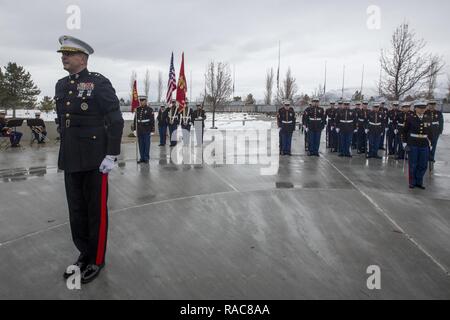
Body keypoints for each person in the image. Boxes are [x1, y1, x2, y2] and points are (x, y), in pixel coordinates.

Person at [55, 35, 124, 284]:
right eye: (62, 53)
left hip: (96, 160)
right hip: (71, 158)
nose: (63, 57)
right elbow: (62, 121)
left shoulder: (98, 83)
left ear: (82, 58)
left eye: (68, 54)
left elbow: (116, 119)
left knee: (96, 212)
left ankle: (97, 259)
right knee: (77, 211)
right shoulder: (61, 85)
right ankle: (83, 253)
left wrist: (111, 153)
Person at [402, 100, 432, 189]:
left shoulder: (428, 118)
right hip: (413, 143)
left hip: (424, 143)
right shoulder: (410, 118)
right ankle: (412, 182)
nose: (422, 110)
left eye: (424, 108)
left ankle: (419, 181)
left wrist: (431, 143)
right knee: (413, 164)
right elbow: (404, 131)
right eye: (420, 108)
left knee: (423, 164)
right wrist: (404, 143)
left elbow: (430, 132)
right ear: (415, 108)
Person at [132, 96, 155, 164]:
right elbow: (135, 119)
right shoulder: (138, 109)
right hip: (139, 129)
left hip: (146, 129)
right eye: (140, 101)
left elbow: (152, 120)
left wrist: (152, 129)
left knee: (146, 144)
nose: (141, 102)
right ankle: (142, 158)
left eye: (143, 101)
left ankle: (146, 158)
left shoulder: (149, 109)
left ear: (146, 101)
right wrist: (134, 129)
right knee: (141, 144)